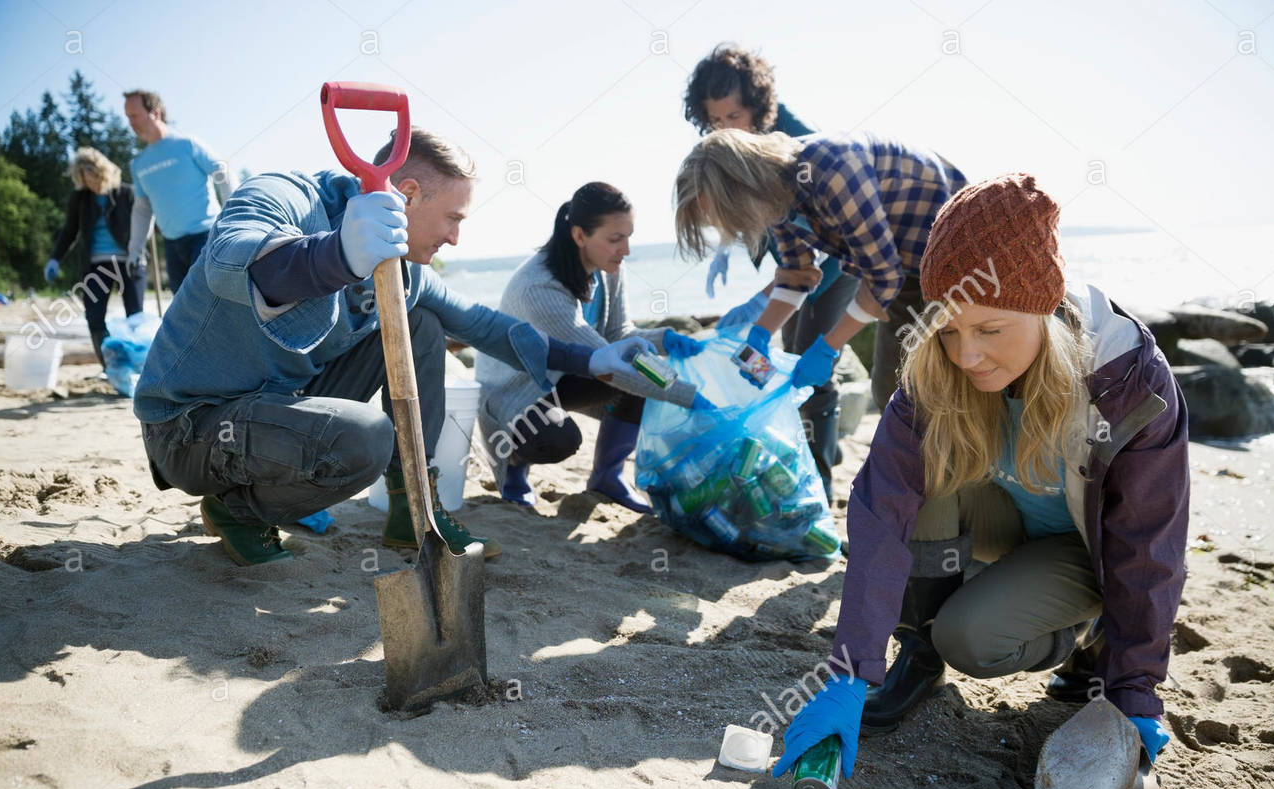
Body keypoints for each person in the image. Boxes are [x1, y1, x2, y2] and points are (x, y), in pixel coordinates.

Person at [771, 174, 1186, 786]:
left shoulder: (1130, 383)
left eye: (990, 330)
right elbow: (882, 508)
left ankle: (1089, 633)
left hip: (1086, 550)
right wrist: (849, 672)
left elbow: (1148, 544)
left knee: (971, 639)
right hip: (1002, 524)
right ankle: (918, 650)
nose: (966, 356)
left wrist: (1136, 688)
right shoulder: (937, 370)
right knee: (924, 473)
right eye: (949, 330)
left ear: (1042, 309)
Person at [133, 127, 654, 566]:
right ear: (406, 194)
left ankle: (415, 504)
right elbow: (227, 260)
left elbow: (484, 324)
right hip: (190, 424)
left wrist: (589, 358)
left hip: (272, 408)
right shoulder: (288, 196)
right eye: (454, 218)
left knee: (421, 323)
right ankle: (238, 511)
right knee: (366, 436)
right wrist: (332, 255)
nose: (455, 238)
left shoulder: (401, 271)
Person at [674, 127, 967, 416]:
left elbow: (883, 277)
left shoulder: (832, 170)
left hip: (959, 256)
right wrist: (760, 334)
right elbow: (797, 274)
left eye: (729, 215)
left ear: (741, 186)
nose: (736, 227)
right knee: (892, 389)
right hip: (904, 268)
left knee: (930, 389)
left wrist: (828, 348)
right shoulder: (774, 197)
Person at [682, 44, 859, 502]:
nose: (726, 128)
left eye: (734, 116)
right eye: (715, 121)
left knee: (810, 358)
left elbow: (810, 253)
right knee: (780, 353)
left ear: (759, 107)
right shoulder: (733, 145)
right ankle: (818, 443)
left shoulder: (797, 147)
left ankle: (818, 483)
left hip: (840, 261)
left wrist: (763, 300)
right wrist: (726, 244)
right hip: (795, 265)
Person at [476, 182, 710, 512]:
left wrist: (664, 339)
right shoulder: (539, 287)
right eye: (615, 240)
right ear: (580, 236)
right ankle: (514, 464)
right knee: (562, 439)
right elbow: (611, 365)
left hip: (564, 377)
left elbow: (619, 334)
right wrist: (689, 397)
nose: (625, 250)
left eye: (628, 237)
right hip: (515, 394)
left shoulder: (608, 269)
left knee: (643, 382)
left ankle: (607, 478)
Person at [123, 89, 235, 292]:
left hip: (205, 237)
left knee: (205, 301)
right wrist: (135, 249)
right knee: (182, 311)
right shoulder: (138, 164)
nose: (130, 122)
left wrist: (233, 218)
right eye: (127, 117)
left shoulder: (187, 144)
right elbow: (142, 209)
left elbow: (223, 173)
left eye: (134, 115)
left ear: (155, 113)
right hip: (172, 245)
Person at [44, 147, 146, 363]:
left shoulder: (127, 193)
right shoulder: (80, 199)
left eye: (96, 178)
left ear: (105, 172)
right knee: (94, 317)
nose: (93, 184)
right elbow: (69, 231)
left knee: (136, 318)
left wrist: (138, 251)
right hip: (96, 267)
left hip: (129, 263)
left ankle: (140, 364)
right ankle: (109, 365)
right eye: (87, 180)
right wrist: (55, 258)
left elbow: (144, 224)